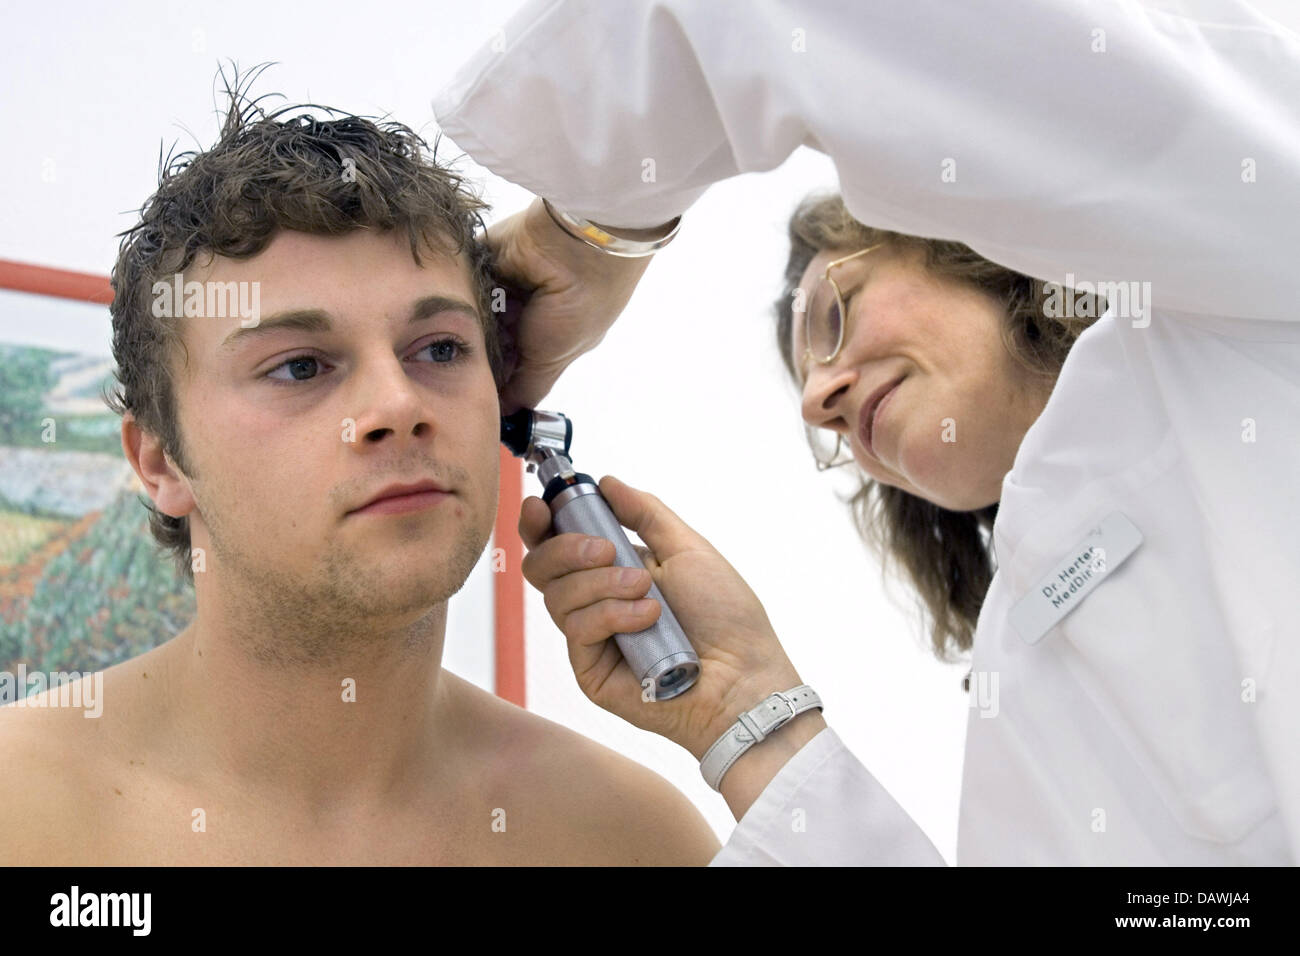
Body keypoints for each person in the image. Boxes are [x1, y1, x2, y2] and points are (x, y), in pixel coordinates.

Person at [433, 0, 1300, 864]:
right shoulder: (1028, 652)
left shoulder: (1247, 274)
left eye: (831, 318)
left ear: (963, 235)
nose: (820, 402)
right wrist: (746, 708)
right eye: (816, 401)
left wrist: (594, 229)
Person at [0, 80, 721, 866]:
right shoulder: (23, 816)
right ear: (161, 461)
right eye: (300, 366)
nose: (397, 405)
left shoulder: (632, 841)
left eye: (440, 349)